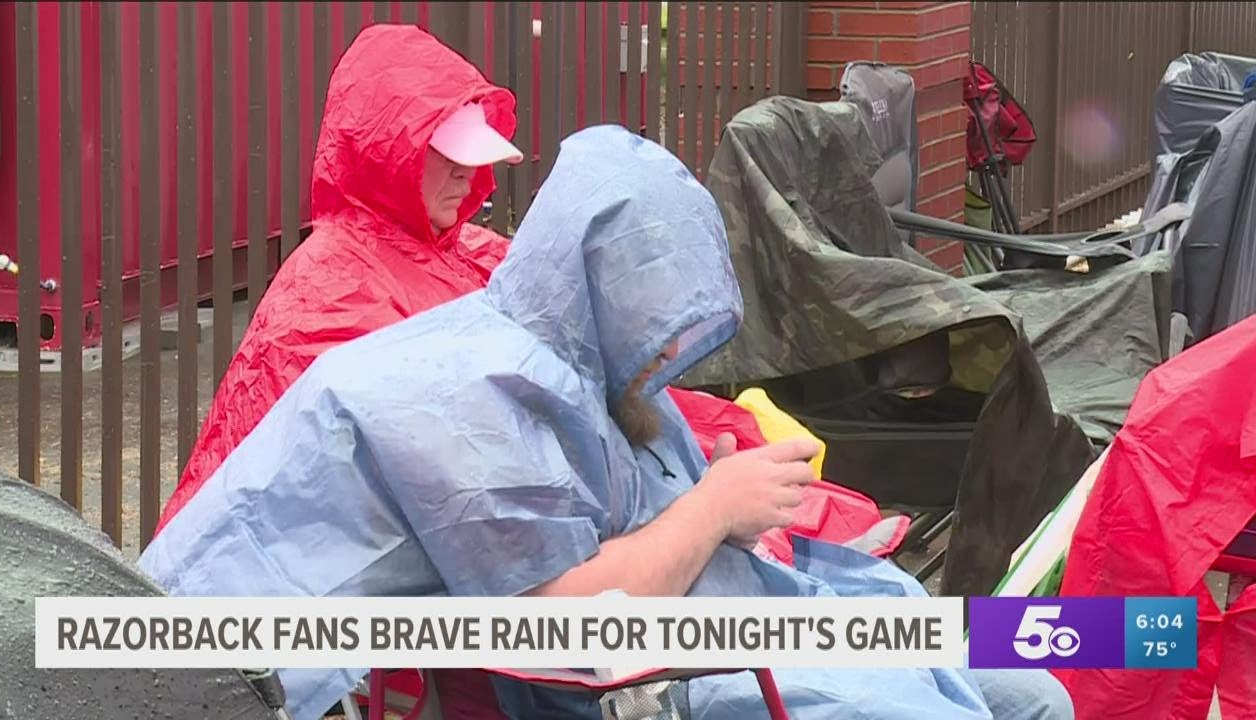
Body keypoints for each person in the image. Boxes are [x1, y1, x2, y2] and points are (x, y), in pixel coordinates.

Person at [141, 125, 1071, 720]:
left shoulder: (566, 359)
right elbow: (568, 628)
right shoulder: (466, 399)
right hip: (232, 680)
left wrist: (717, 498)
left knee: (1029, 691)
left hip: (699, 634)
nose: (670, 350)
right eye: (657, 318)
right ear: (594, 280)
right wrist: (712, 507)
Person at [154, 24, 524, 534]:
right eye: (447, 154)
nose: (467, 173)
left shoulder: (466, 253)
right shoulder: (329, 290)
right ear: (387, 156)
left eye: (473, 156)